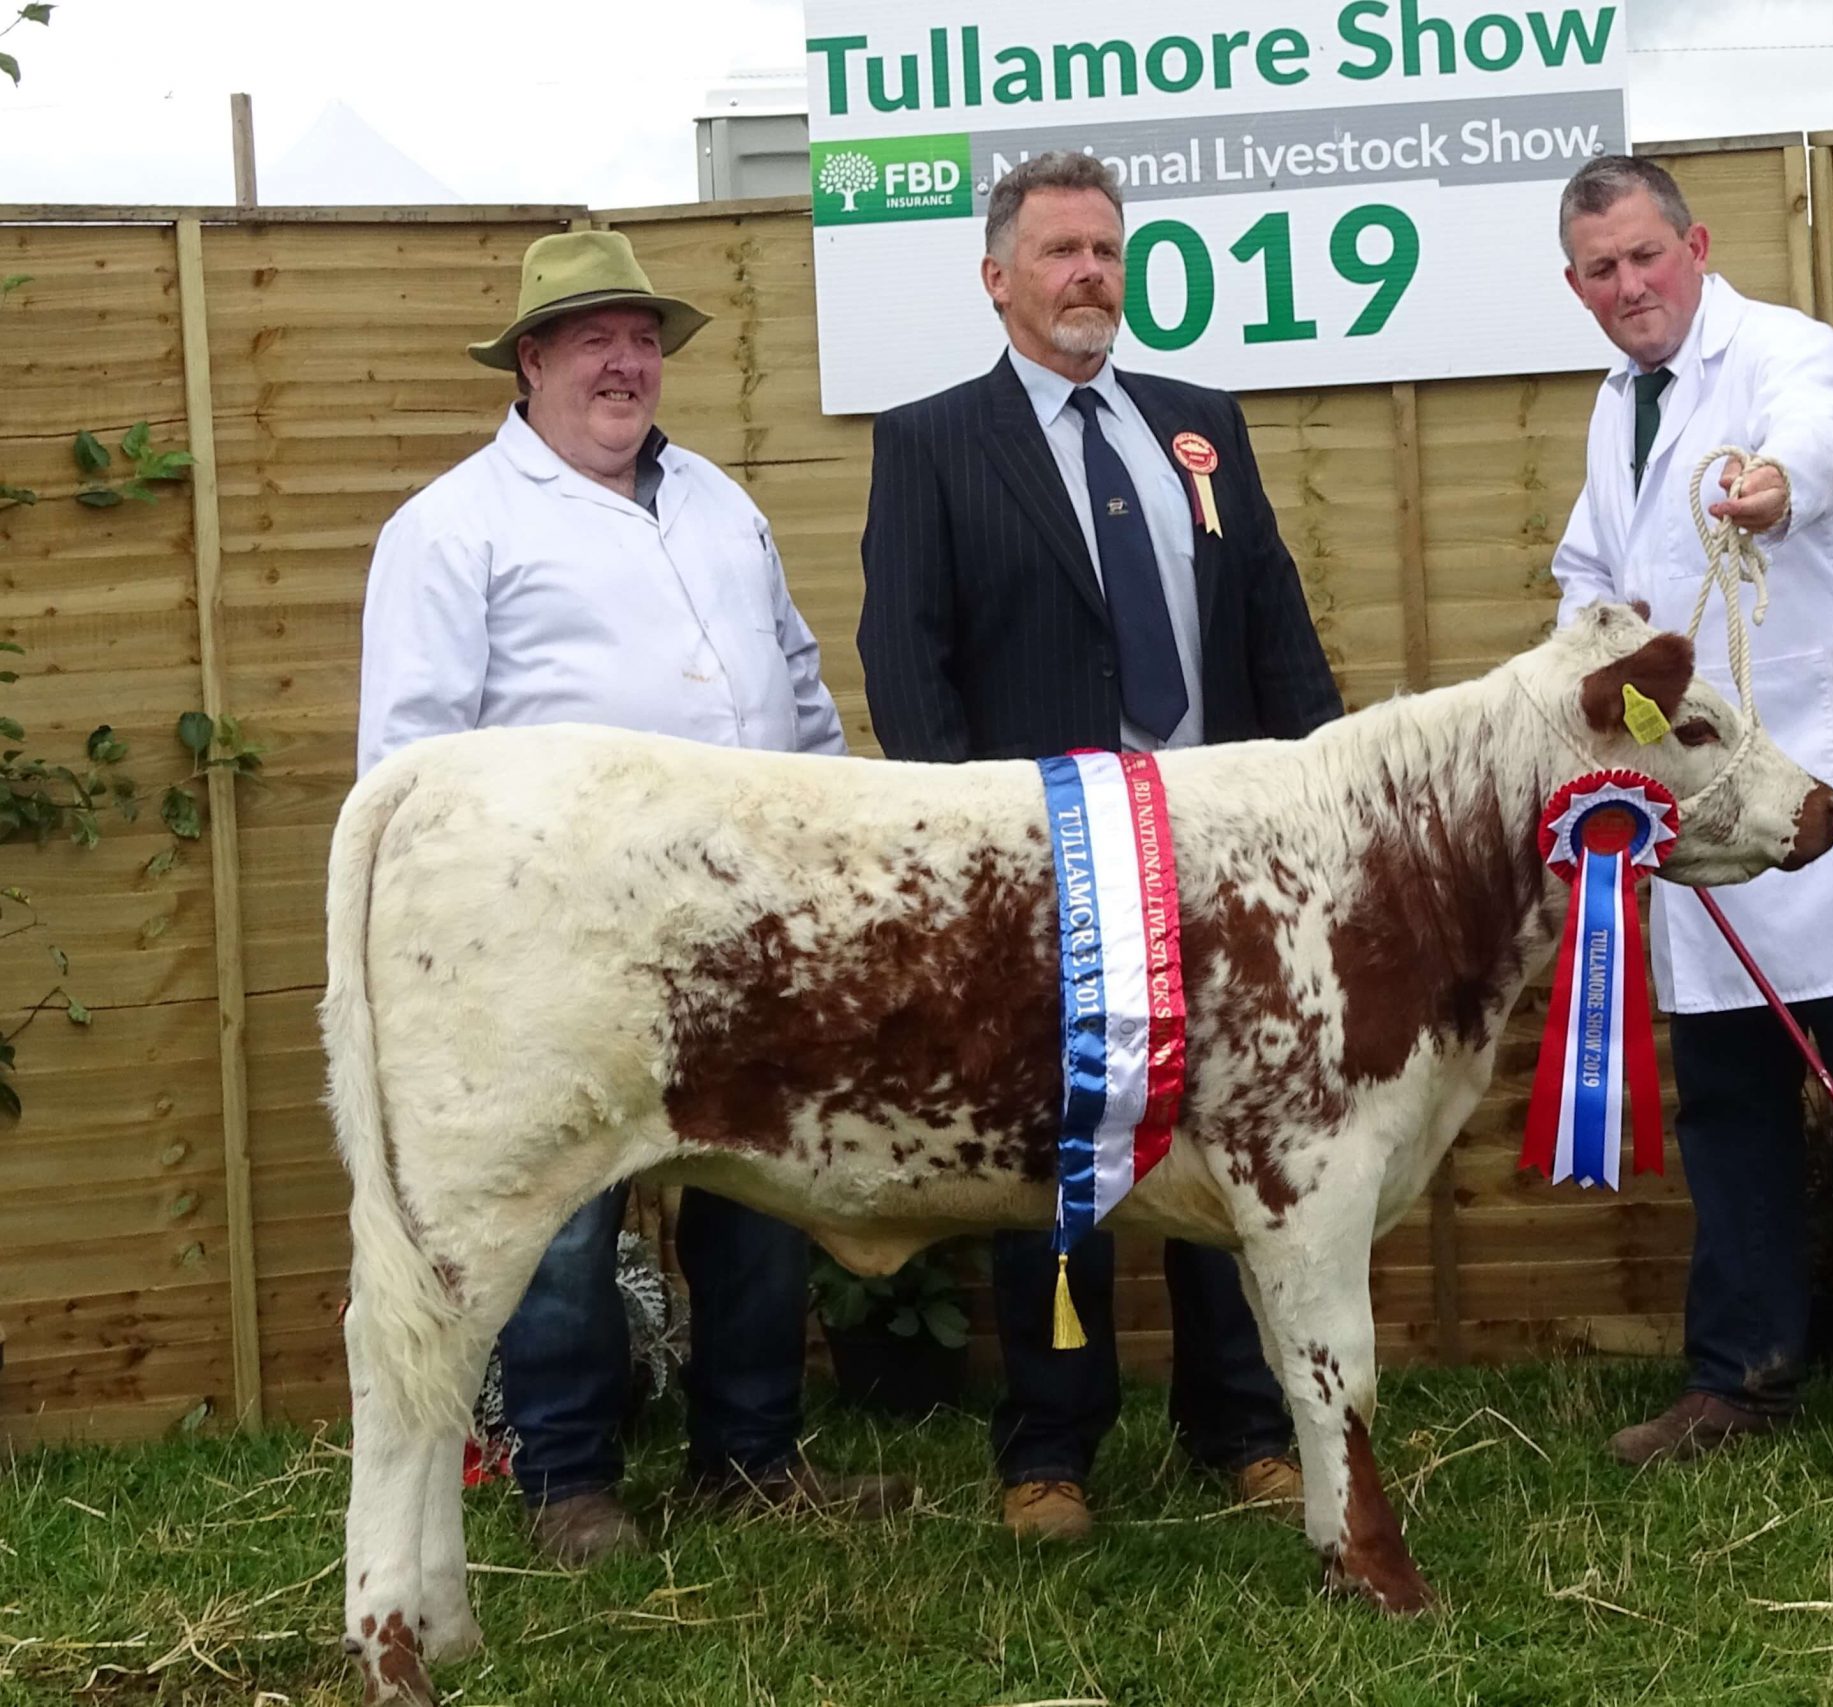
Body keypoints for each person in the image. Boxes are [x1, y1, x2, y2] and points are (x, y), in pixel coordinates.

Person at [356, 229, 908, 1563]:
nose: (625, 361)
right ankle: (570, 1486)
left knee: (764, 1192)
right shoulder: (449, 530)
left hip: (746, 920)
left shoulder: (725, 503)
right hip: (555, 942)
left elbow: (801, 691)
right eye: (594, 337)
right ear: (533, 359)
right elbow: (410, 764)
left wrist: (829, 864)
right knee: (557, 1217)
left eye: (643, 337)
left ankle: (752, 1456)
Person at [857, 151, 1341, 1541]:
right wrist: (975, 860)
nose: (1091, 276)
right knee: (1060, 1155)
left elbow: (1272, 628)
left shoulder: (1199, 428)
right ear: (998, 277)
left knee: (1227, 1137)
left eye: (1108, 252)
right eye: (1063, 251)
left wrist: (1320, 801)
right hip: (1050, 869)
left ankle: (1241, 1427)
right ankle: (1049, 1452)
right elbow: (909, 666)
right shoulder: (934, 441)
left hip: (1219, 860)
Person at [1547, 155, 1833, 1490]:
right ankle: (1740, 1375)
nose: (1629, 288)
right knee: (1728, 1104)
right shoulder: (1617, 406)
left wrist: (1775, 485)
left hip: (1826, 810)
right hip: (1707, 821)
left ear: (1696, 247)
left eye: (1645, 259)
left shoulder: (1789, 353)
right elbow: (1590, 571)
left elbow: (1823, 444)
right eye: (1600, 271)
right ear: (1577, 286)